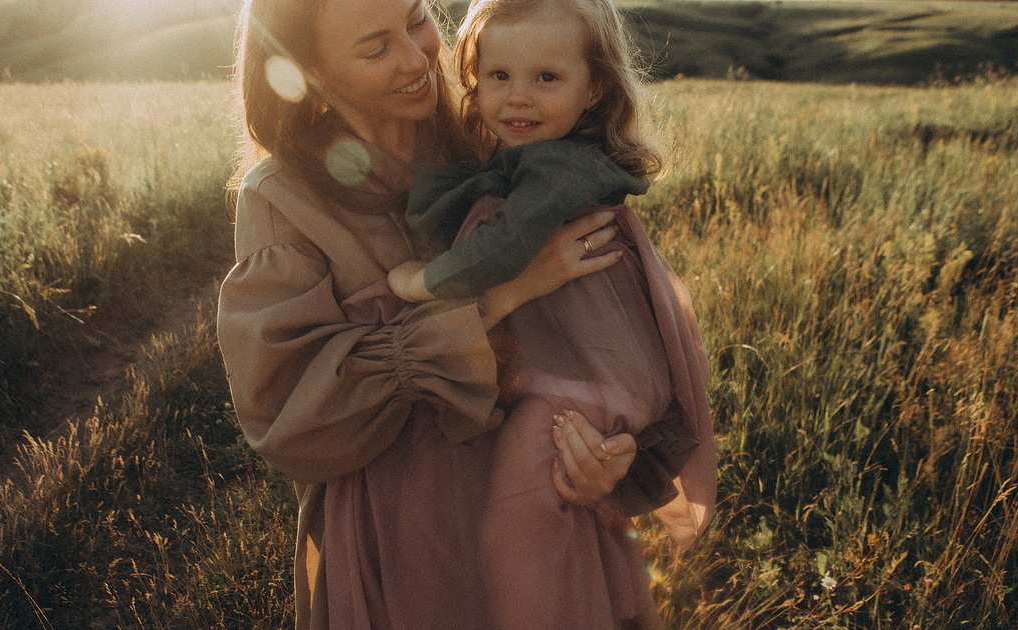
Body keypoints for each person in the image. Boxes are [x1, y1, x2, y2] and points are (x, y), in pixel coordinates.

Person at [216, 0, 707, 627]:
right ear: (309, 68)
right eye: (375, 47)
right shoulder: (283, 199)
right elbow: (291, 420)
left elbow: (611, 332)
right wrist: (499, 294)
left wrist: (607, 460)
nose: (417, 56)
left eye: (417, 19)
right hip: (408, 538)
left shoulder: (497, 133)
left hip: (542, 516)